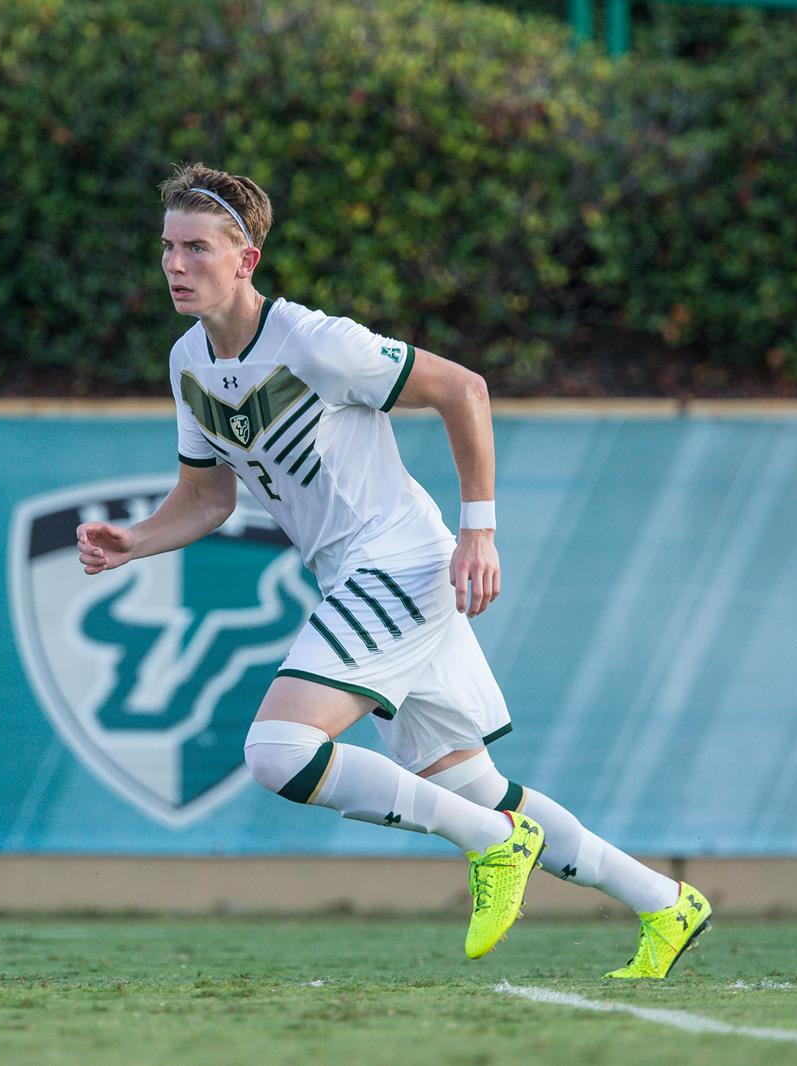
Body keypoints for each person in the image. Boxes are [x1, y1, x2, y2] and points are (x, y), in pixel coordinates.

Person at [74, 162, 711, 977]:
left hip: (398, 562)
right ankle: (665, 902)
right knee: (473, 786)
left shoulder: (315, 342)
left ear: (247, 260)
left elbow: (464, 389)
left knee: (278, 750)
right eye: (168, 247)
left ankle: (494, 845)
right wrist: (136, 540)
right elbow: (207, 497)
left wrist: (479, 533)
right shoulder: (187, 363)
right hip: (355, 577)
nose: (175, 264)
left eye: (197, 247)